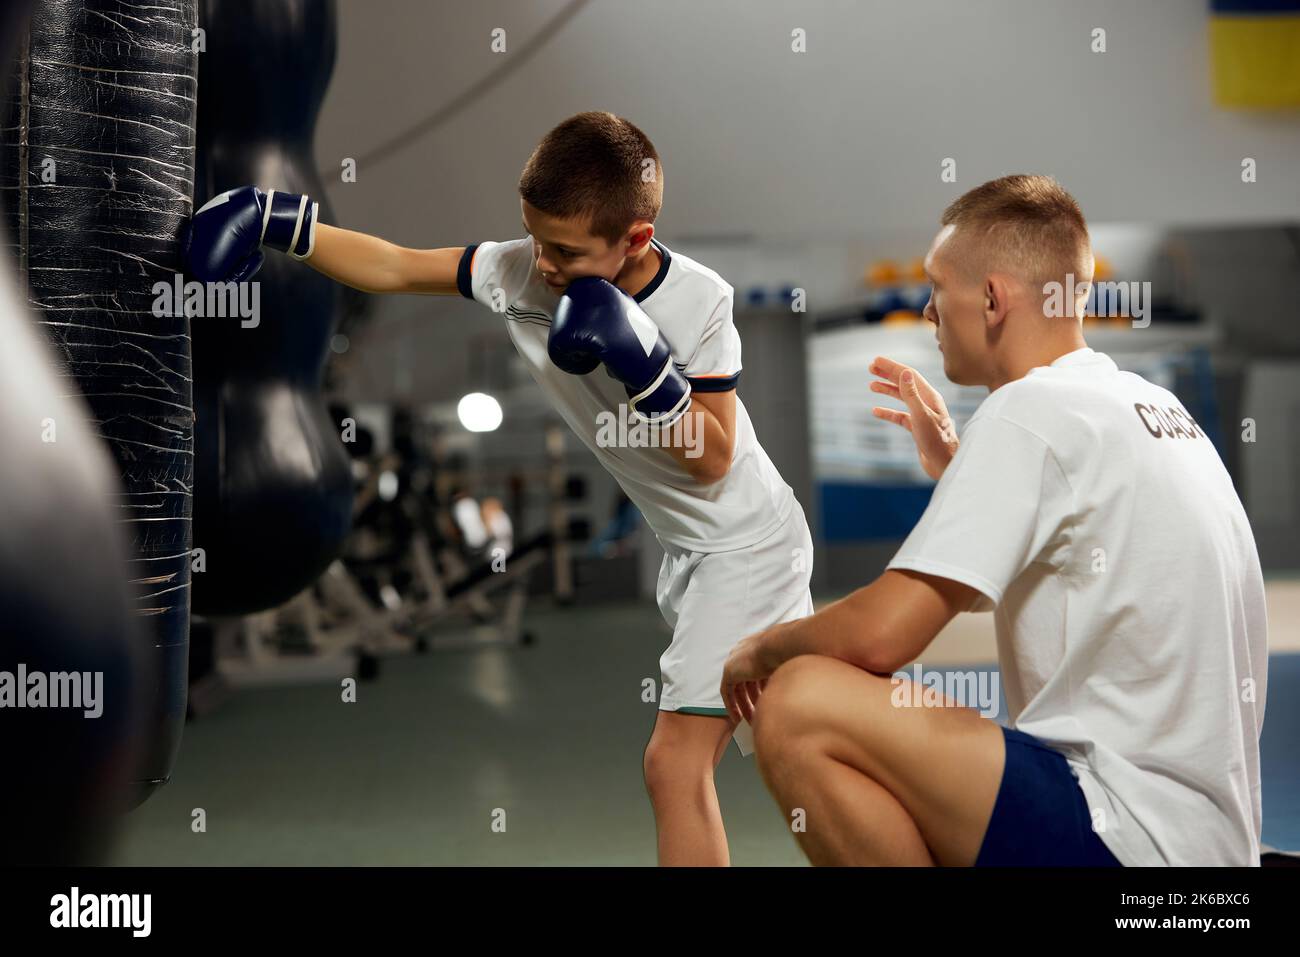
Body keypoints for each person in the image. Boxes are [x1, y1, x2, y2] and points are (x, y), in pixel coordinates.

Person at [184, 111, 813, 866]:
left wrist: (643, 364)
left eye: (567, 251)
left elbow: (710, 460)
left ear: (636, 239)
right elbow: (392, 265)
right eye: (535, 236)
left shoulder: (701, 300)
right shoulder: (517, 269)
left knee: (674, 763)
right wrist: (276, 223)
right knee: (797, 742)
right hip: (691, 549)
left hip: (744, 542)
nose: (543, 264)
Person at [721, 175, 1267, 867]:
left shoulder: (1027, 411)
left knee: (801, 700)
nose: (926, 311)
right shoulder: (1145, 406)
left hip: (1126, 841)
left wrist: (761, 648)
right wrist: (958, 468)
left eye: (937, 287)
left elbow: (879, 637)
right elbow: (1035, 571)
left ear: (990, 298)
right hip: (1209, 857)